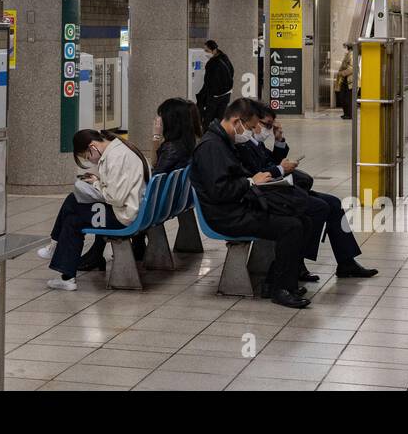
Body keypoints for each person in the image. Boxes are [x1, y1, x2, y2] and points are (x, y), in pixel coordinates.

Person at [189, 98, 316, 308]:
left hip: (239, 205)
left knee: (302, 218)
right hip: (227, 215)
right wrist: (250, 182)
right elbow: (220, 190)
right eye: (249, 127)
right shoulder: (211, 147)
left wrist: (256, 181)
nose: (249, 133)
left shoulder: (224, 141)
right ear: (237, 121)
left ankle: (279, 281)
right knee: (291, 226)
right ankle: (279, 289)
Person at [241, 102, 378, 280]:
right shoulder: (244, 144)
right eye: (265, 125)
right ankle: (297, 262)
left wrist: (279, 140)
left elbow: (271, 162)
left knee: (334, 203)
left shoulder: (256, 144)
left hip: (281, 190)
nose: (267, 130)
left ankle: (346, 262)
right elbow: (260, 172)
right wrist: (281, 169)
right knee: (318, 207)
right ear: (252, 121)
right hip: (270, 196)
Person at [38, 130, 147, 291]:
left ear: (93, 147)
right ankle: (64, 271)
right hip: (133, 211)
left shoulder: (115, 157)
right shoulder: (121, 149)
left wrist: (96, 185)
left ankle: (59, 256)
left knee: (73, 205)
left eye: (88, 157)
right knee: (73, 213)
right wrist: (99, 182)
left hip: (123, 216)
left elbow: (115, 197)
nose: (91, 161)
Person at [153, 97, 200, 175]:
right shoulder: (189, 142)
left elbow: (155, 175)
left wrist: (156, 135)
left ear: (169, 120)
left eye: (161, 116)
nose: (158, 120)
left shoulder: (171, 148)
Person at [195, 39, 234, 124]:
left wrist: (203, 95)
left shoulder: (211, 63)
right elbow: (232, 71)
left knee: (208, 118)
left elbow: (208, 81)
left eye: (206, 50)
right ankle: (218, 135)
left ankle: (206, 135)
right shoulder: (225, 58)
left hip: (215, 96)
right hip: (227, 93)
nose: (205, 52)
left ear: (213, 50)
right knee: (220, 117)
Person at [335, 42, 355, 119]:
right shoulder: (348, 54)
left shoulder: (352, 54)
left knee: (348, 98)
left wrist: (342, 73)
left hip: (350, 80)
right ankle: (346, 113)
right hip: (345, 80)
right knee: (343, 97)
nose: (345, 47)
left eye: (346, 46)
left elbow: (352, 68)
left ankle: (349, 114)